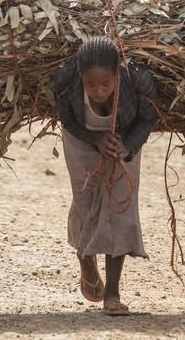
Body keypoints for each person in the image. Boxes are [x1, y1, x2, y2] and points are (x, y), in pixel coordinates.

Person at [53, 36, 158, 316]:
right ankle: (85, 256)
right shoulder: (66, 81)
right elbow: (67, 120)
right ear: (80, 76)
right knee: (85, 204)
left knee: (119, 208)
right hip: (81, 141)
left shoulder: (138, 80)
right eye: (90, 85)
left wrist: (128, 146)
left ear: (117, 74)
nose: (98, 92)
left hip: (124, 142)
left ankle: (112, 294)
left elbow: (148, 118)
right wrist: (95, 139)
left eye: (106, 84)